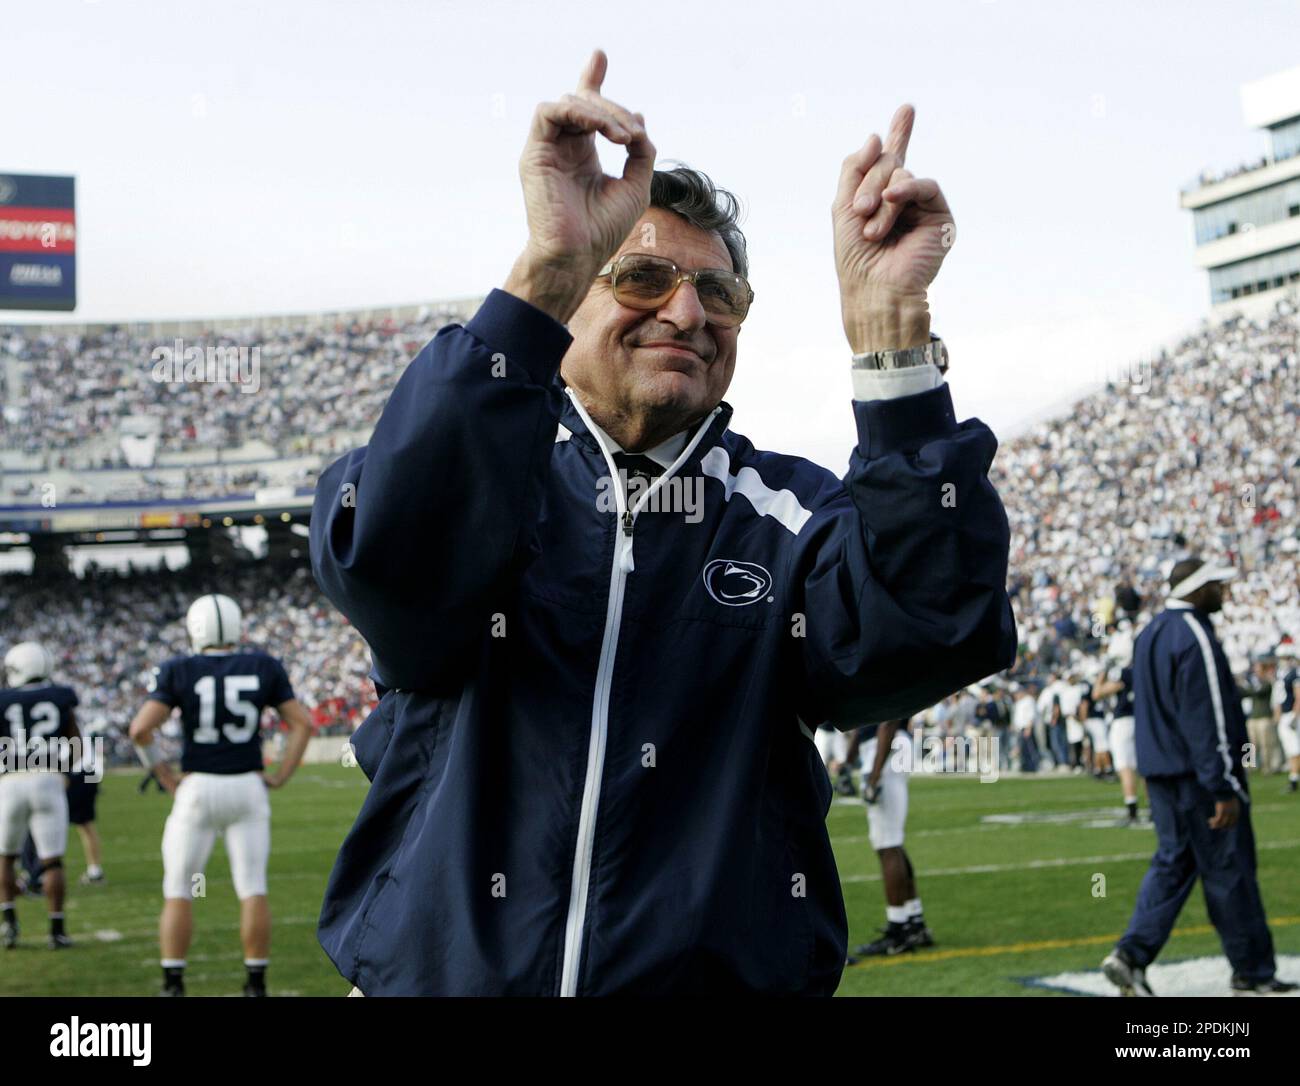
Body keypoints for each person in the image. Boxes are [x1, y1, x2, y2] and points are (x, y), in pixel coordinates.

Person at [309, 49, 1016, 996]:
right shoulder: (479, 465)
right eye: (641, 277)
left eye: (718, 292)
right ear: (574, 300)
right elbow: (389, 564)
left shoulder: (791, 516)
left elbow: (932, 628)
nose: (686, 311)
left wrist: (891, 331)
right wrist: (548, 267)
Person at [1102, 558, 1297, 996]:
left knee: (1173, 862)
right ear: (1196, 587)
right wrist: (1222, 785)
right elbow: (1206, 717)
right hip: (1198, 776)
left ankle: (1131, 954)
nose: (1223, 593)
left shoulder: (1150, 632)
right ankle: (1253, 972)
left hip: (1162, 773)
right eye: (1216, 585)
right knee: (1230, 871)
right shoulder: (1194, 635)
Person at [129, 594, 313, 996]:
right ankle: (255, 982)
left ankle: (174, 982)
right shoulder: (263, 665)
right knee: (252, 886)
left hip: (197, 789)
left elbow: (140, 730)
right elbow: (302, 724)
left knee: (181, 887)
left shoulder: (178, 668)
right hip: (247, 787)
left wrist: (162, 773)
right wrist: (281, 775)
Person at [0, 641, 78, 950]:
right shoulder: (60, 695)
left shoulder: (3, 699)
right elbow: (75, 740)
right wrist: (65, 771)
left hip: (11, 779)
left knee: (5, 858)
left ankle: (10, 926)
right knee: (52, 862)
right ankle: (57, 930)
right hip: (48, 776)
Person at [846, 718, 933, 961]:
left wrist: (874, 776)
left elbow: (888, 719)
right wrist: (848, 761)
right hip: (884, 745)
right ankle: (914, 921)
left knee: (888, 843)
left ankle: (899, 931)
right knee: (891, 841)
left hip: (885, 746)